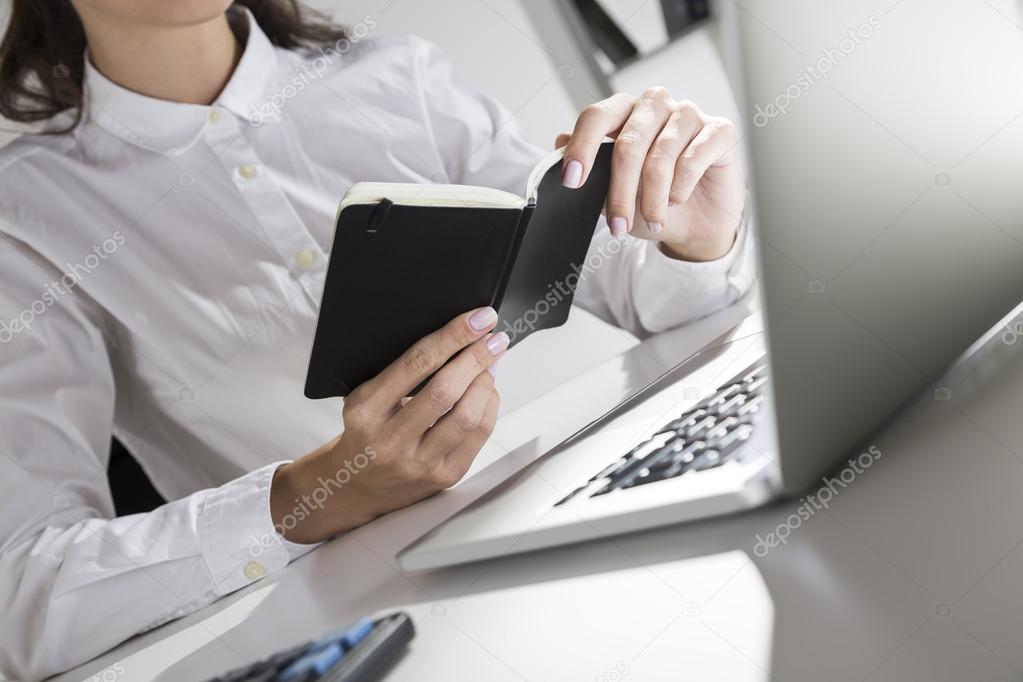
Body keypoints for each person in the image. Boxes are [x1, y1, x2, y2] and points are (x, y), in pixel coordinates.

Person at [0, 1, 755, 678]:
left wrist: (692, 231)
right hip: (366, 634)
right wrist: (314, 495)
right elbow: (23, 600)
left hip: (574, 525)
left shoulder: (399, 80)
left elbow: (652, 298)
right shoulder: (27, 213)